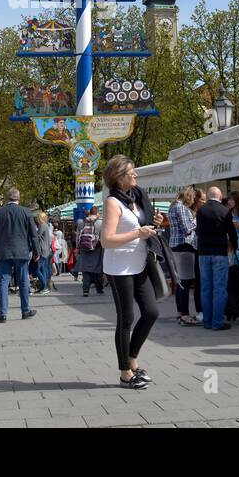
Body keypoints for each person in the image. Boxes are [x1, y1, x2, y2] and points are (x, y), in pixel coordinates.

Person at [101, 156, 166, 389]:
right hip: (119, 268)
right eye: (132, 173)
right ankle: (125, 372)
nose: (136, 177)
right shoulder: (112, 203)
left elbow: (143, 226)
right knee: (126, 319)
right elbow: (106, 240)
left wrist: (154, 222)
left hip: (140, 263)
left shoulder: (137, 197)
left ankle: (133, 358)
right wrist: (138, 233)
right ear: (119, 177)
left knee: (151, 312)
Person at [0, 188, 38, 322]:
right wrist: (36, 251)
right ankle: (25, 310)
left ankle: (3, 314)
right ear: (18, 198)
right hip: (21, 252)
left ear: (7, 198)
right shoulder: (26, 212)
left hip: (3, 252)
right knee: (23, 281)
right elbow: (34, 235)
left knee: (4, 282)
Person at [195, 186, 238, 331]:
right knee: (219, 288)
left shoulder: (201, 210)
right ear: (220, 197)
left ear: (208, 196)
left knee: (205, 288)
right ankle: (217, 322)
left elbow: (198, 231)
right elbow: (232, 233)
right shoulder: (225, 211)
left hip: (203, 253)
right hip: (219, 252)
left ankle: (207, 321)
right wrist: (235, 246)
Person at [168, 187, 197, 323]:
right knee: (185, 281)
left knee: (180, 281)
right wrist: (196, 221)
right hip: (184, 245)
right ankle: (185, 315)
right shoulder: (182, 208)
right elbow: (187, 229)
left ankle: (180, 312)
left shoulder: (173, 206)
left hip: (175, 244)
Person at [75, 205, 106, 297]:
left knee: (85, 269)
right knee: (97, 268)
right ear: (97, 213)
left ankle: (85, 290)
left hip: (84, 248)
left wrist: (77, 247)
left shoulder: (82, 222)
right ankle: (99, 289)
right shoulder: (100, 222)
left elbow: (78, 236)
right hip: (97, 247)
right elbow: (103, 236)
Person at [34, 211, 55, 295]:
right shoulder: (46, 226)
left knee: (38, 270)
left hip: (42, 250)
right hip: (46, 250)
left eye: (38, 218)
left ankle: (45, 287)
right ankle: (43, 287)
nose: (37, 219)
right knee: (43, 270)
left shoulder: (42, 226)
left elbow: (36, 237)